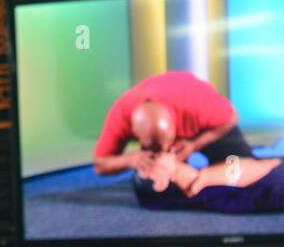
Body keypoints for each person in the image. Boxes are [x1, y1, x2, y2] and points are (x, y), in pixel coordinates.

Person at [94, 70, 252, 176]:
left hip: (203, 128)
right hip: (173, 113)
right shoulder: (120, 115)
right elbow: (100, 164)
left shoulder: (197, 107)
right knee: (154, 189)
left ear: (175, 125)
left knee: (240, 170)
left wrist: (194, 144)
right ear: (135, 133)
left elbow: (232, 117)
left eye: (167, 142)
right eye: (154, 145)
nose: (164, 150)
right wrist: (132, 160)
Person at [133, 150, 284, 212]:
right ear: (160, 184)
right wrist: (205, 176)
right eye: (151, 161)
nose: (154, 154)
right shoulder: (202, 183)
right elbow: (262, 170)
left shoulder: (204, 175)